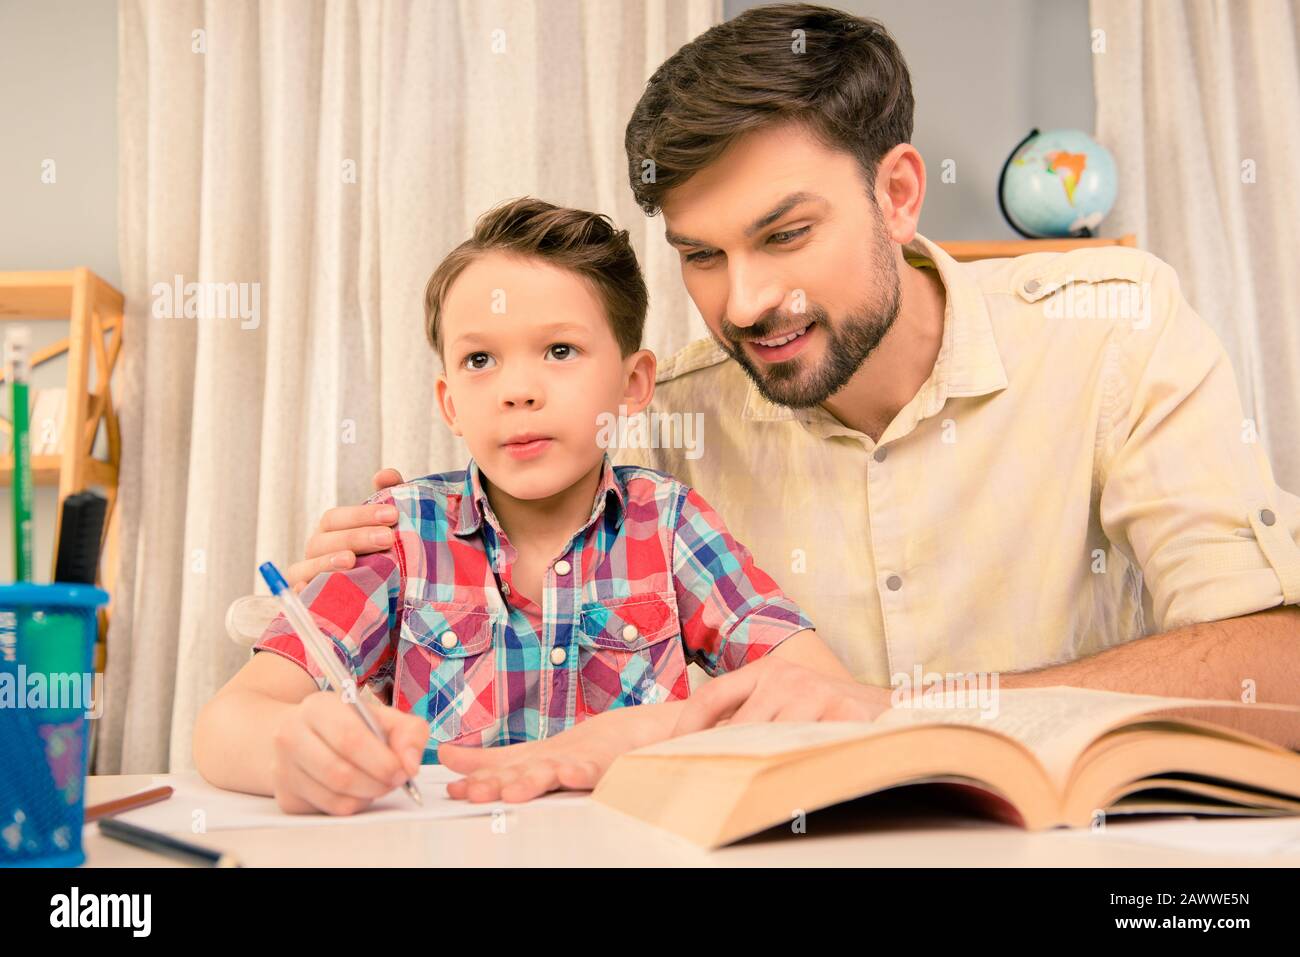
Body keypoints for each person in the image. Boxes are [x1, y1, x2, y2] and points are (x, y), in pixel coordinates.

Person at [289, 5, 1300, 790]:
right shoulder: (663, 417)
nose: (747, 301)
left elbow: (1277, 670)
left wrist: (895, 713)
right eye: (702, 256)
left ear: (897, 195)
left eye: (784, 235)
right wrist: (390, 546)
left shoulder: (1112, 331)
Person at [193, 197, 852, 815]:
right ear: (450, 402)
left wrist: (657, 728)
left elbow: (822, 695)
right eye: (481, 358)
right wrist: (297, 746)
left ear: (632, 383)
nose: (517, 390)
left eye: (559, 350)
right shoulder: (399, 533)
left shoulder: (670, 522)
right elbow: (227, 723)